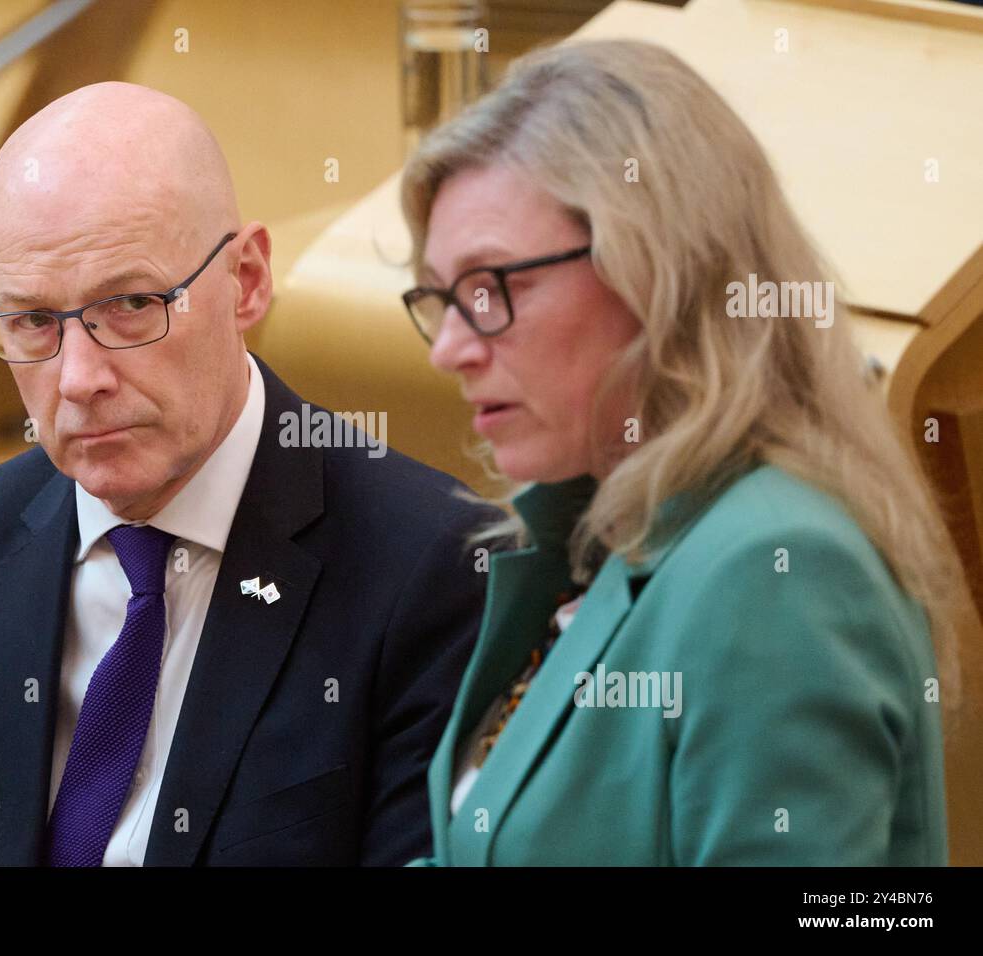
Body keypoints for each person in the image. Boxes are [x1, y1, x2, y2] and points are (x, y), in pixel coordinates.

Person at [0, 82, 493, 866]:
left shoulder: (430, 568)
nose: (79, 378)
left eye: (129, 304)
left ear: (247, 280)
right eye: (30, 322)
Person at [399, 39, 967, 865]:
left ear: (657, 271)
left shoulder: (778, 566)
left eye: (492, 290)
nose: (448, 349)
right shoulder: (615, 532)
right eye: (443, 298)